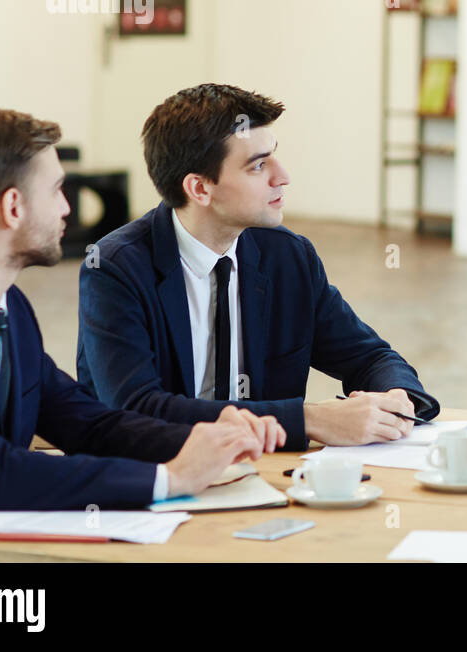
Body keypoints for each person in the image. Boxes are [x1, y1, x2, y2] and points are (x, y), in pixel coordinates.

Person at [0, 108, 284, 527]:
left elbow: (88, 423)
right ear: (13, 207)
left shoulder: (11, 308)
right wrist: (168, 480)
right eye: (58, 190)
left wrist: (206, 436)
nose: (67, 208)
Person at [77, 83, 439, 451]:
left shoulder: (288, 257)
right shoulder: (115, 268)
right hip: (157, 480)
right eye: (259, 165)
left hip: (265, 477)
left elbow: (370, 357)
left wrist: (397, 397)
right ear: (200, 189)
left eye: (274, 157)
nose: (282, 177)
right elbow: (134, 410)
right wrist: (309, 419)